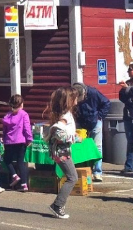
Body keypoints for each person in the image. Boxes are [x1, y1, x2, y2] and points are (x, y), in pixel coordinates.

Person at [43, 86, 79, 219]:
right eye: (75, 98)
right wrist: (74, 138)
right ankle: (57, 205)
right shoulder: (65, 116)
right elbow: (58, 132)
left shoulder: (65, 114)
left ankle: (58, 205)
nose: (77, 100)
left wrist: (73, 135)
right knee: (72, 178)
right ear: (70, 100)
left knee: (71, 177)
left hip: (61, 151)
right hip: (61, 151)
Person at [71, 82, 111, 182]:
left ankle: (97, 172)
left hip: (95, 122)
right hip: (80, 122)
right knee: (79, 146)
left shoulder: (93, 92)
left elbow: (106, 103)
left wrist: (99, 117)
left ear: (84, 93)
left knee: (97, 147)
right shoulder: (72, 93)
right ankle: (81, 170)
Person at [2, 94, 32, 192]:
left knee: (7, 160)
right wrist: (29, 139)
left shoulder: (7, 116)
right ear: (21, 104)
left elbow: (5, 130)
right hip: (21, 141)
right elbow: (27, 128)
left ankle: (14, 175)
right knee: (20, 162)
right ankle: (24, 184)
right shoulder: (24, 114)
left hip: (9, 142)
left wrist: (4, 139)